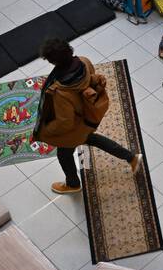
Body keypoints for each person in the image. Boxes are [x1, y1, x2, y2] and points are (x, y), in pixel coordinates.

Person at [34, 37, 142, 195]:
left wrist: (48, 130)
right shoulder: (83, 62)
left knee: (64, 154)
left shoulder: (60, 91)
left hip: (75, 127)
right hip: (87, 117)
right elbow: (90, 79)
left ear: (52, 62)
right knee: (91, 138)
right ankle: (131, 158)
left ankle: (72, 184)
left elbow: (65, 123)